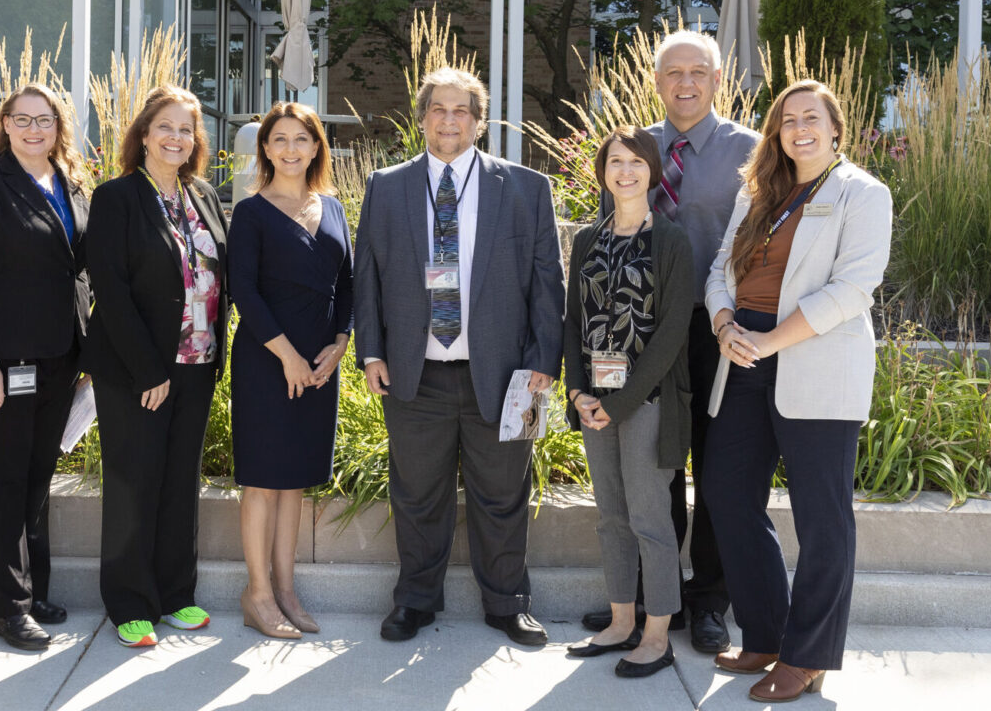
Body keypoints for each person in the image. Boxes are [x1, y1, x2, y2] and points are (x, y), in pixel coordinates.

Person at [354, 67, 564, 648]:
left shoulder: (525, 187)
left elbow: (548, 282)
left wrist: (546, 359)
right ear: (422, 117)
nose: (450, 120)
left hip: (507, 377)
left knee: (503, 496)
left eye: (462, 110)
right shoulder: (386, 185)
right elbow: (365, 276)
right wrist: (371, 350)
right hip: (413, 373)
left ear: (479, 120)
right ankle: (416, 601)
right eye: (439, 110)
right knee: (418, 496)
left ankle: (508, 604)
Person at [704, 80, 892, 702]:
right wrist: (725, 323)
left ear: (836, 127)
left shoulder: (862, 193)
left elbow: (852, 290)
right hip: (743, 352)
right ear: (776, 132)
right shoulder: (758, 191)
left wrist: (770, 341)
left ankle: (807, 655)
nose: (799, 129)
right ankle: (764, 634)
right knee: (728, 495)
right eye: (788, 120)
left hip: (813, 358)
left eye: (812, 117)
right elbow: (718, 271)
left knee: (822, 518)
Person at [581, 29, 758, 655]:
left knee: (714, 466)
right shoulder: (634, 149)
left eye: (698, 72)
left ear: (717, 80)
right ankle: (654, 597)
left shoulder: (753, 149)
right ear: (656, 81)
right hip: (641, 334)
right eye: (673, 72)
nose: (686, 82)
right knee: (653, 466)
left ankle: (708, 599)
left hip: (715, 328)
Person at [84, 85, 229, 649]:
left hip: (197, 362)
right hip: (138, 370)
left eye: (186, 130)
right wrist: (149, 371)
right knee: (133, 481)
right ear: (144, 134)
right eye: (165, 127)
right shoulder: (117, 197)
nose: (176, 137)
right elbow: (112, 290)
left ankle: (176, 595)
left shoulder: (203, 196)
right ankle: (129, 602)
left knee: (178, 483)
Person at [0, 83, 90, 652]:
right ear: (4, 124)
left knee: (36, 480)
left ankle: (34, 590)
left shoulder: (73, 185)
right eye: (23, 119)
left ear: (59, 126)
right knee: (6, 482)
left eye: (46, 119)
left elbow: (81, 270)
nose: (35, 129)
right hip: (6, 362)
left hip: (62, 358)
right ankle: (6, 608)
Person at [562, 126, 694, 680]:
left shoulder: (670, 241)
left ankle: (658, 635)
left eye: (636, 161)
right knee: (612, 517)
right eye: (615, 161)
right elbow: (572, 320)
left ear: (653, 170)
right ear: (604, 171)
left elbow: (670, 336)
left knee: (649, 518)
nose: (626, 171)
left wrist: (619, 404)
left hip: (648, 403)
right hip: (595, 401)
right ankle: (620, 621)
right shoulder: (588, 239)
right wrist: (577, 391)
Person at [228, 102, 353, 640]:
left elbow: (348, 284)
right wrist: (288, 356)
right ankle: (257, 594)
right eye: (280, 139)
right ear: (265, 148)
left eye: (302, 139)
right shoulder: (251, 212)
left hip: (320, 364)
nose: (291, 149)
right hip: (266, 359)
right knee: (261, 481)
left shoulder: (335, 208)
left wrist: (341, 343)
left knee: (294, 484)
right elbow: (244, 292)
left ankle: (285, 589)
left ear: (316, 147)